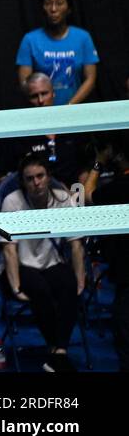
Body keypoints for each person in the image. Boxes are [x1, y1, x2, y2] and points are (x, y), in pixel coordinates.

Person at [0, 154, 85, 372]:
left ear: (48, 177)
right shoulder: (12, 202)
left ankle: (59, 352)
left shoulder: (63, 200)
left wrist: (80, 279)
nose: (36, 182)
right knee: (40, 289)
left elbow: (76, 244)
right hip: (21, 267)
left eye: (40, 176)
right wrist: (16, 287)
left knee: (69, 285)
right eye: (30, 178)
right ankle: (57, 350)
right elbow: (9, 250)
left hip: (51, 263)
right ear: (23, 182)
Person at [0, 73, 92, 189]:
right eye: (34, 96)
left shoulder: (71, 128)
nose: (40, 100)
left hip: (73, 198)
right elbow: (4, 176)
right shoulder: (19, 135)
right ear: (27, 100)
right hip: (35, 198)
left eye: (44, 93)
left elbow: (85, 169)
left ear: (53, 93)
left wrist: (79, 198)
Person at [15, 0, 99, 106]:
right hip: (41, 111)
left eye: (59, 3)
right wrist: (41, 102)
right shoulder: (30, 40)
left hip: (75, 111)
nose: (53, 9)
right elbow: (24, 82)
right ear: (42, 7)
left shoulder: (83, 38)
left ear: (69, 8)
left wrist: (69, 106)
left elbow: (90, 79)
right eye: (48, 3)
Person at [91, 137, 129, 370]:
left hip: (126, 272)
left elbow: (87, 195)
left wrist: (98, 163)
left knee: (124, 323)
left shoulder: (118, 187)